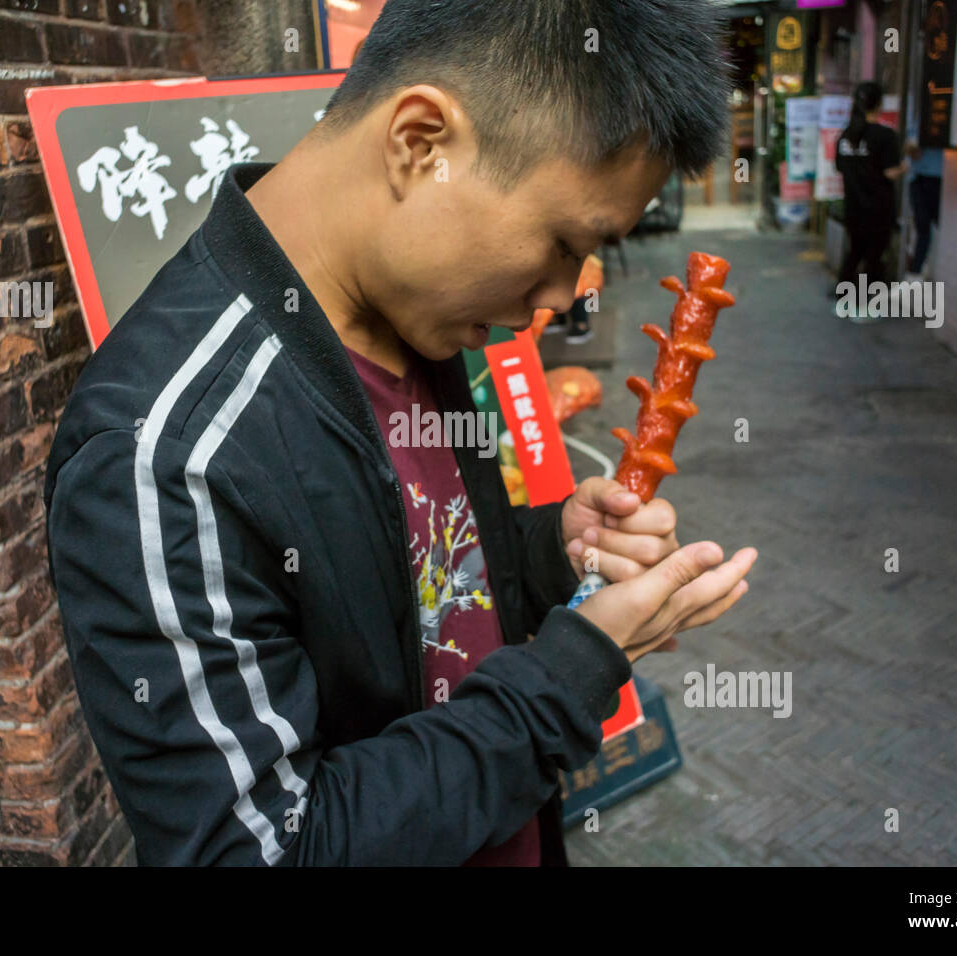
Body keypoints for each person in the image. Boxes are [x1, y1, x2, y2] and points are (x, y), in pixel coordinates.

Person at [44, 0, 757, 867]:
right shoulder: (162, 452)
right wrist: (571, 674)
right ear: (421, 142)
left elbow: (418, 581)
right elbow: (261, 852)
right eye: (567, 242)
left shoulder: (417, 313)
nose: (567, 294)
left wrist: (548, 554)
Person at [834, 81, 909, 323]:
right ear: (879, 104)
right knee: (874, 258)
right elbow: (890, 172)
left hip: (853, 207)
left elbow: (840, 168)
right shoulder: (885, 136)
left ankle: (844, 302)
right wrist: (906, 165)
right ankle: (865, 308)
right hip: (878, 208)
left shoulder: (846, 136)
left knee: (855, 252)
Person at [903, 136, 942, 279]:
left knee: (937, 227)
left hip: (940, 176)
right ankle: (915, 273)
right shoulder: (916, 116)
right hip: (918, 176)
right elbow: (908, 145)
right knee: (922, 227)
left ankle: (926, 272)